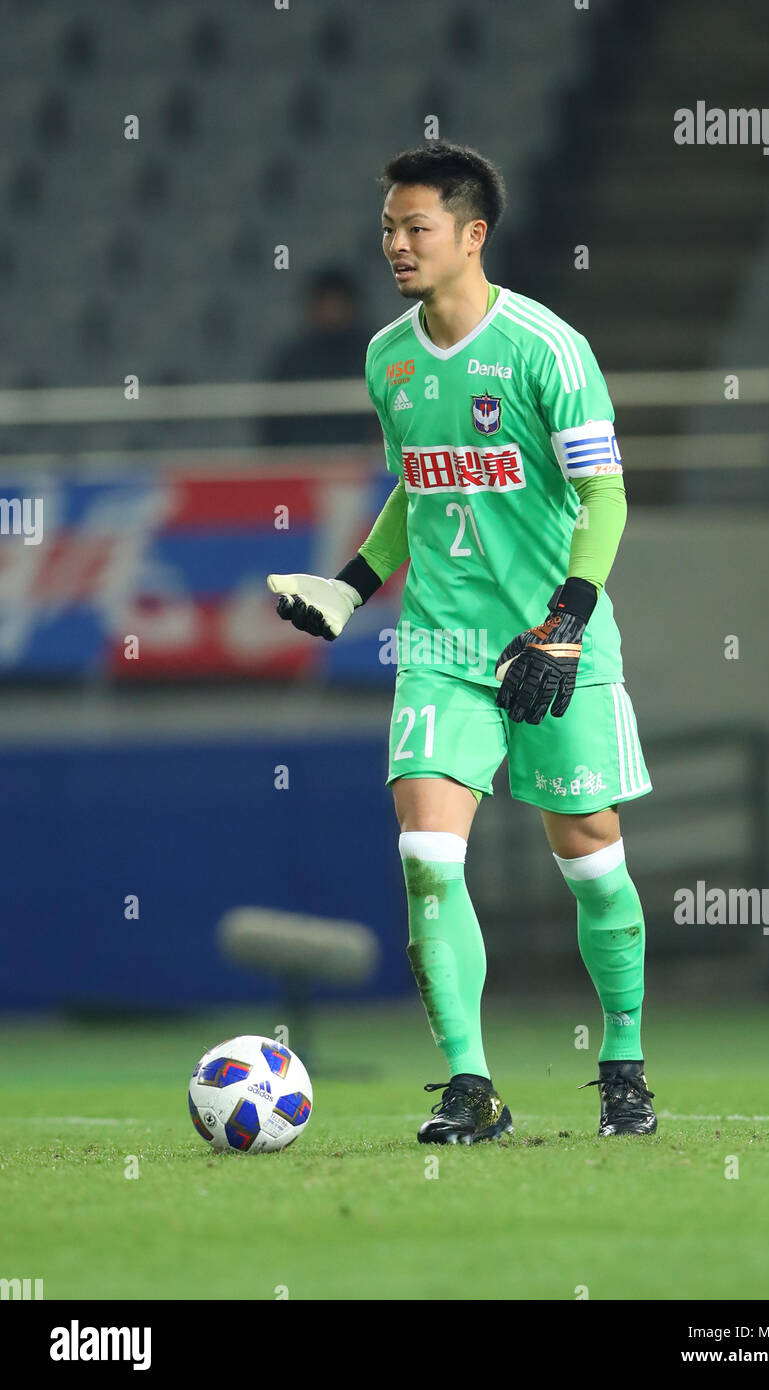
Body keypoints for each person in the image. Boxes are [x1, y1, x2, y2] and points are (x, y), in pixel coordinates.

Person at [267, 141, 655, 1141]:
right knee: (427, 854)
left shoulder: (546, 348)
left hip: (554, 641)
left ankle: (620, 1058)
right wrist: (350, 587)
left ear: (470, 234)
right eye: (387, 228)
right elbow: (416, 488)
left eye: (415, 227)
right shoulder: (385, 357)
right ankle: (469, 1085)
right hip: (440, 645)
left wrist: (564, 623)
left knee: (589, 858)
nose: (395, 244)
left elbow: (604, 493)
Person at [257, 267, 378, 447]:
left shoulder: (375, 354)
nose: (332, 311)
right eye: (326, 303)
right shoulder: (291, 360)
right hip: (302, 460)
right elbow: (273, 422)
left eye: (337, 303)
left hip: (361, 462)